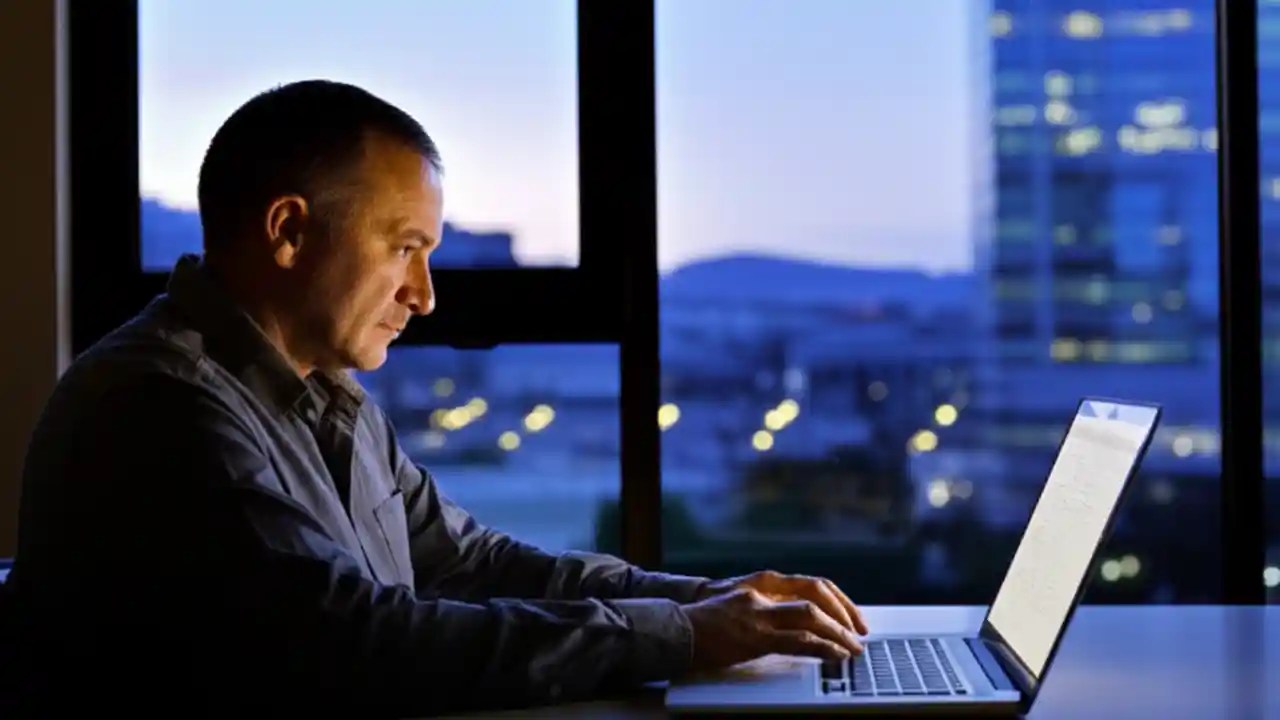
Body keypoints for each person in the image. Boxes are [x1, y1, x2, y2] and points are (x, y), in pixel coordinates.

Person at [2, 79, 867, 716]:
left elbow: (470, 562)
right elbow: (363, 644)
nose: (425, 294)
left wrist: (699, 602)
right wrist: (678, 636)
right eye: (403, 248)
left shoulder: (322, 397)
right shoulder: (163, 410)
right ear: (290, 232)